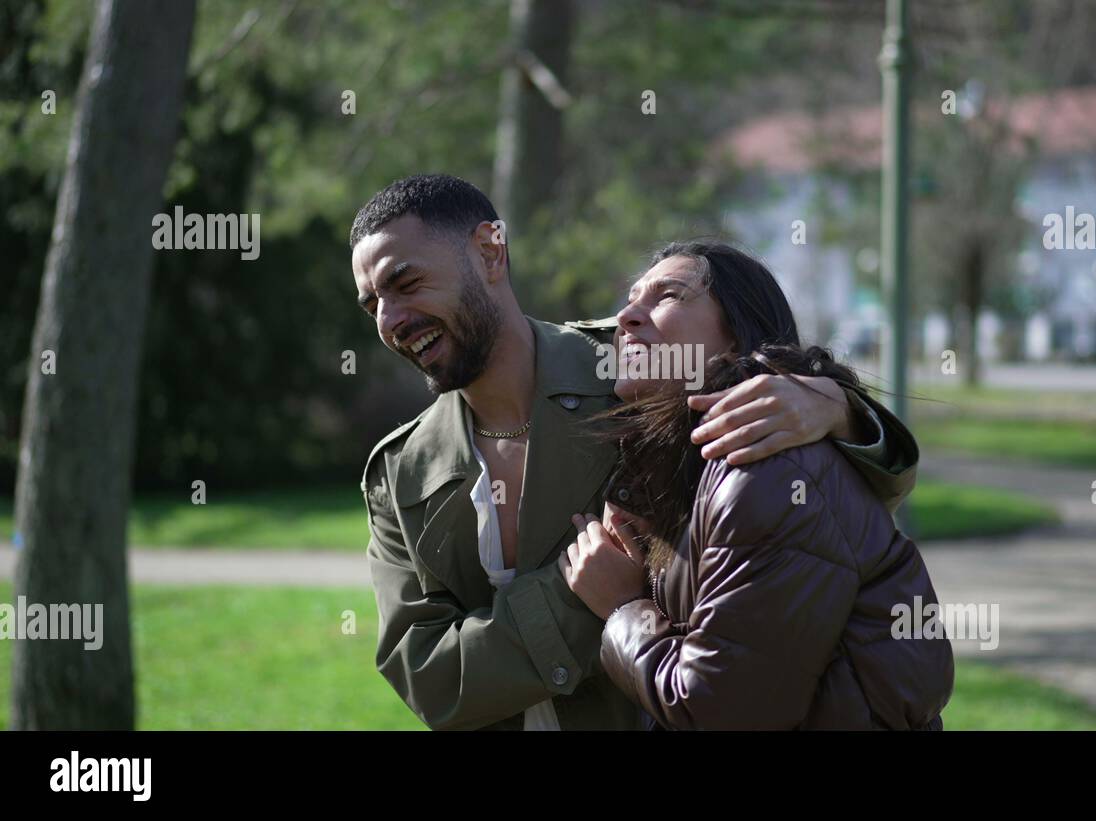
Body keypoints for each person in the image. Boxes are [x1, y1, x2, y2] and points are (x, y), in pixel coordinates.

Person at [351, 174, 920, 730]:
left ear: (489, 252)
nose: (389, 321)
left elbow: (839, 497)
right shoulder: (398, 472)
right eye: (372, 302)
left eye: (406, 283)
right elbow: (431, 681)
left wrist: (839, 411)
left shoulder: (644, 372)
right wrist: (579, 595)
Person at [563, 240, 953, 730]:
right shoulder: (697, 465)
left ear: (737, 333)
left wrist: (623, 607)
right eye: (631, 298)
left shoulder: (764, 469)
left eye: (669, 296)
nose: (627, 317)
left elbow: (723, 709)